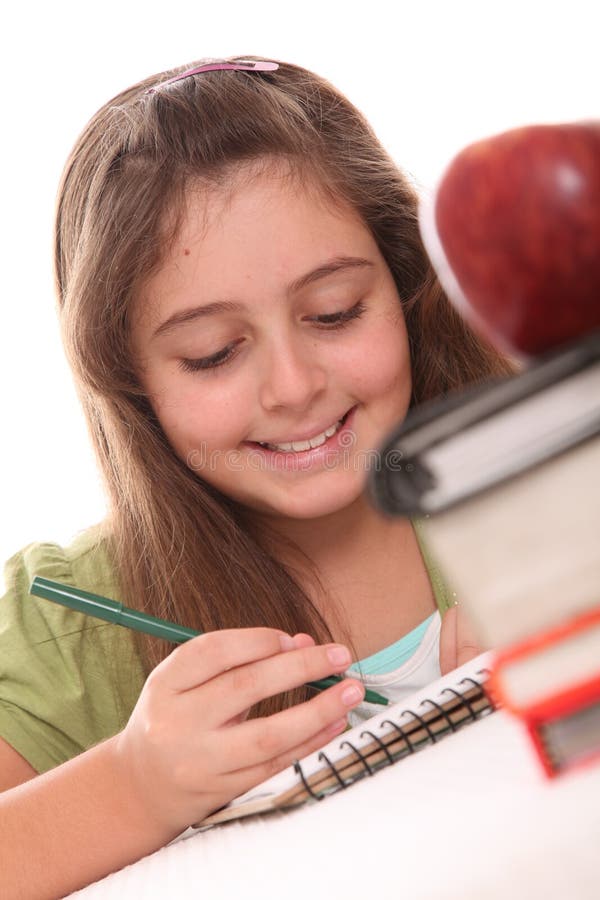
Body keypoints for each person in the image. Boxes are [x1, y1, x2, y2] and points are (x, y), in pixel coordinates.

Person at [0, 57, 515, 897]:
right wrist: (135, 785)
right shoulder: (74, 626)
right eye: (212, 354)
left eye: (336, 311)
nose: (294, 387)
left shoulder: (544, 475)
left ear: (405, 281)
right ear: (131, 381)